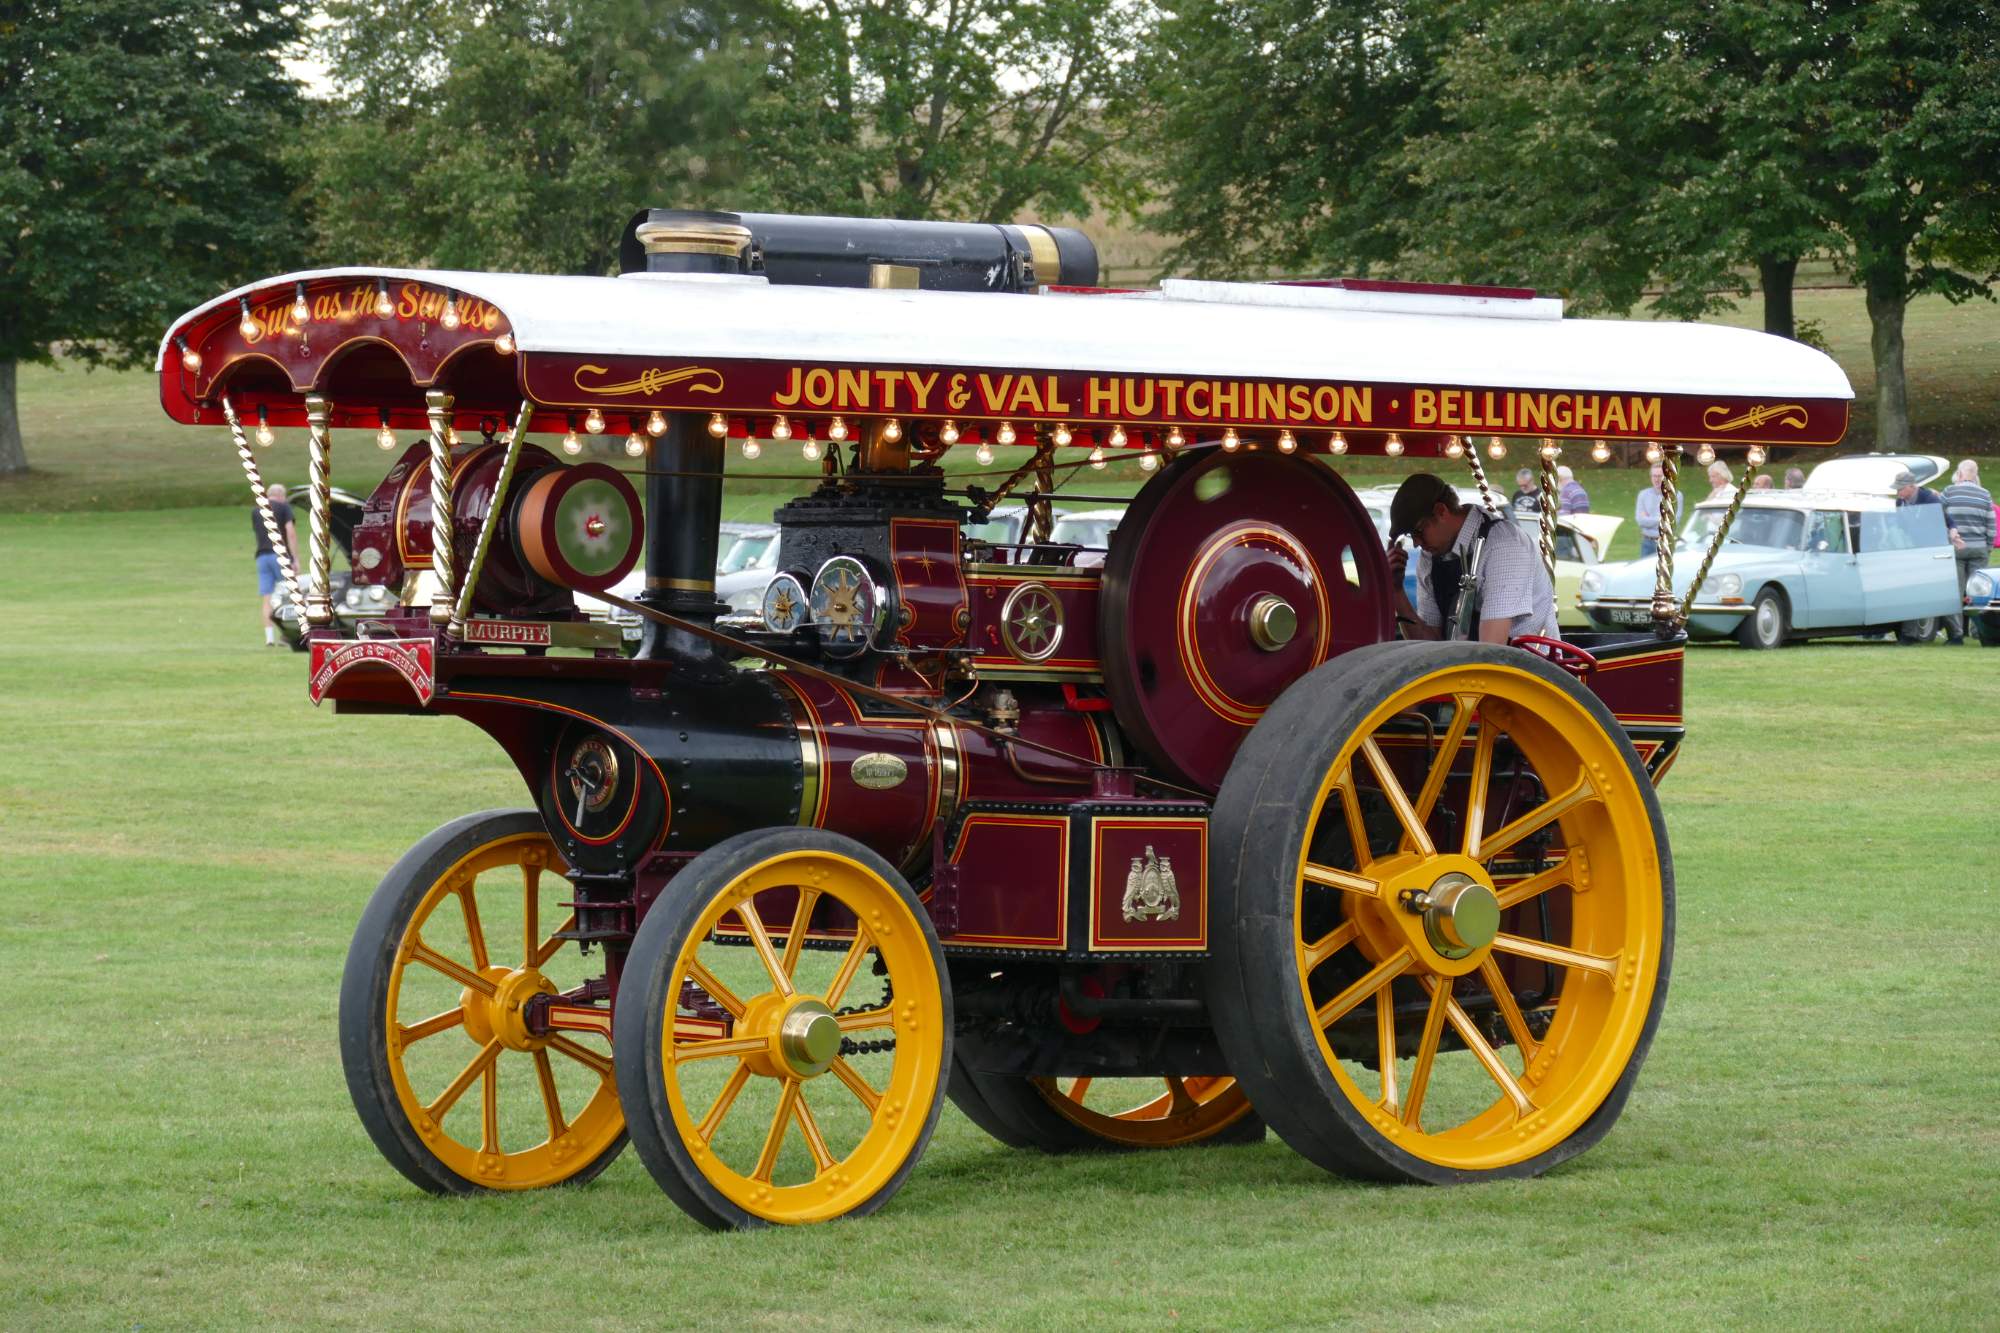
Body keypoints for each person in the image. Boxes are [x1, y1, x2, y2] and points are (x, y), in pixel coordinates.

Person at [1386, 473, 1559, 644]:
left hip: (1524, 667)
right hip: (1472, 664)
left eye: (1419, 530)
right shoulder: (1430, 556)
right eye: (1411, 535)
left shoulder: (1503, 545)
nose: (1416, 543)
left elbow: (1492, 647)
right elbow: (1429, 646)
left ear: (1441, 511)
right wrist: (1397, 592)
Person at [1894, 467, 1967, 643]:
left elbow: (1948, 521)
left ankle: (1956, 635)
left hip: (1935, 551)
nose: (1897, 493)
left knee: (1942, 593)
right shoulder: (1900, 503)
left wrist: (1953, 533)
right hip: (1913, 551)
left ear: (1912, 486)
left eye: (1900, 489)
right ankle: (1909, 635)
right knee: (1911, 592)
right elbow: (1901, 526)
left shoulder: (1930, 498)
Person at [1940, 460, 1993, 645]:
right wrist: (1987, 547)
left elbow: (1940, 517)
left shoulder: (1948, 492)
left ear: (1960, 473)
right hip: (1979, 548)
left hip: (1956, 548)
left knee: (1955, 591)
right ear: (1975, 474)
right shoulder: (1985, 494)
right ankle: (1979, 632)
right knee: (1979, 592)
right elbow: (1991, 524)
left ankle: (1956, 635)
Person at [254, 482, 300, 646]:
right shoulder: (284, 507)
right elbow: (290, 532)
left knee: (268, 598)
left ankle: (269, 638)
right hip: (279, 555)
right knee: (288, 596)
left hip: (262, 557)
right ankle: (286, 636)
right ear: (281, 496)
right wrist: (295, 558)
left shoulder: (257, 511)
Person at [1635, 463, 1665, 557]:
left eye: (1659, 476)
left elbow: (1672, 522)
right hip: (1647, 543)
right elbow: (1640, 521)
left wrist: (1649, 518)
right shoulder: (1643, 495)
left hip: (1665, 543)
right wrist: (1661, 519)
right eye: (1654, 476)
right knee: (1644, 571)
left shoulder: (1675, 496)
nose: (1657, 479)